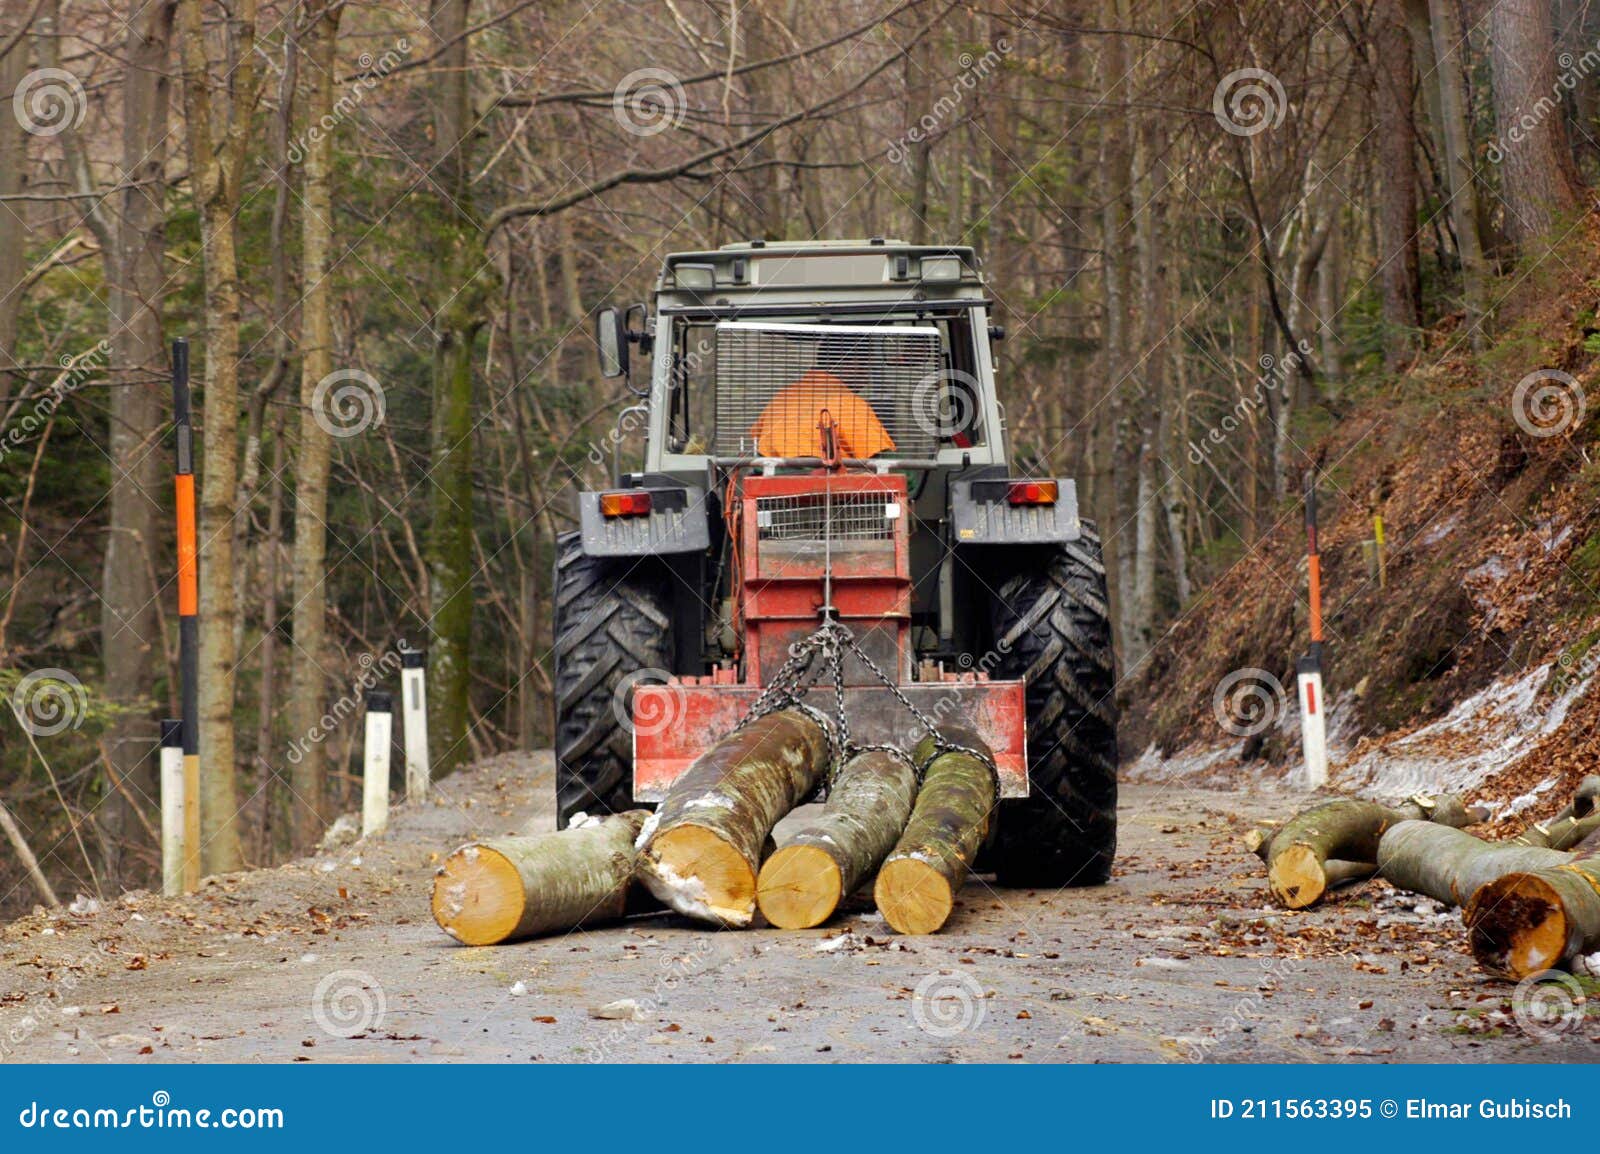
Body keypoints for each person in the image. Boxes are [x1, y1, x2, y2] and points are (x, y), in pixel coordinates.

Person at [746, 334, 895, 458]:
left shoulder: (780, 399)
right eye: (867, 365)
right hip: (832, 489)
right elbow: (877, 456)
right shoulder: (853, 405)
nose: (867, 376)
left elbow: (757, 443)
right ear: (854, 364)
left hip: (772, 486)